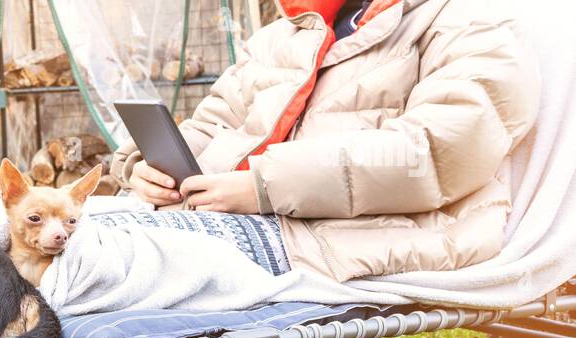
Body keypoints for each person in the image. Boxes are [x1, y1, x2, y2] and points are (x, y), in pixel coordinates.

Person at [110, 0, 540, 282]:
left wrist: (263, 187)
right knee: (82, 234)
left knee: (104, 256)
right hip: (237, 213)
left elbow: (437, 151)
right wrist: (146, 168)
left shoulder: (472, 22)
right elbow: (218, 119)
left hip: (361, 232)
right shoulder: (289, 32)